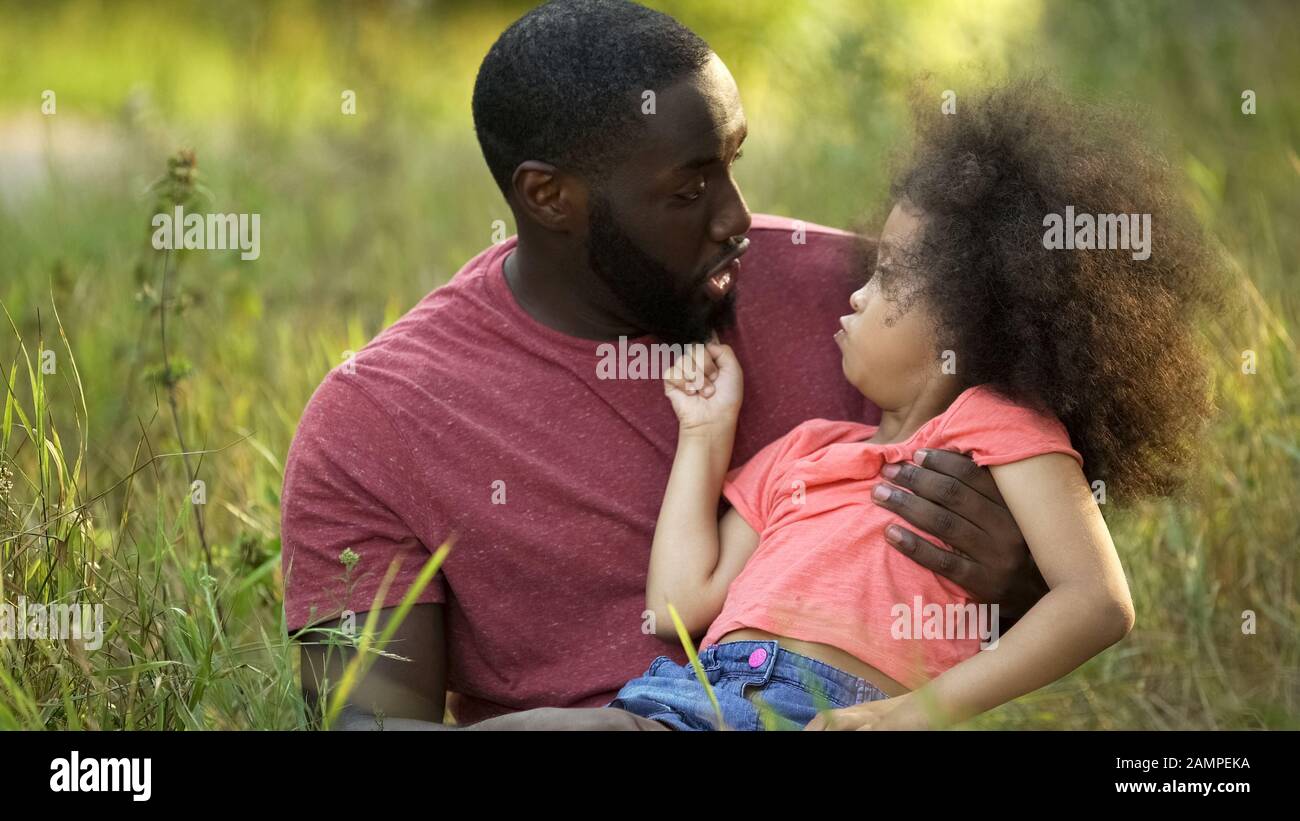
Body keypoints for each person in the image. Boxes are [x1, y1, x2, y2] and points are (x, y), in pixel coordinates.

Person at [283, 0, 1050, 731]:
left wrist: (1015, 580)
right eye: (688, 190)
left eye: (732, 160)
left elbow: (1060, 552)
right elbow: (368, 718)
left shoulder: (863, 302)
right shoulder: (376, 417)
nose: (737, 217)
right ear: (550, 197)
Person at [607, 79, 1218, 730]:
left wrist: (909, 714)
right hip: (693, 695)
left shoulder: (994, 424)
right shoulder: (806, 448)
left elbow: (1097, 601)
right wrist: (704, 433)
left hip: (830, 708)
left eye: (890, 274)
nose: (859, 297)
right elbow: (677, 600)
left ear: (971, 316)